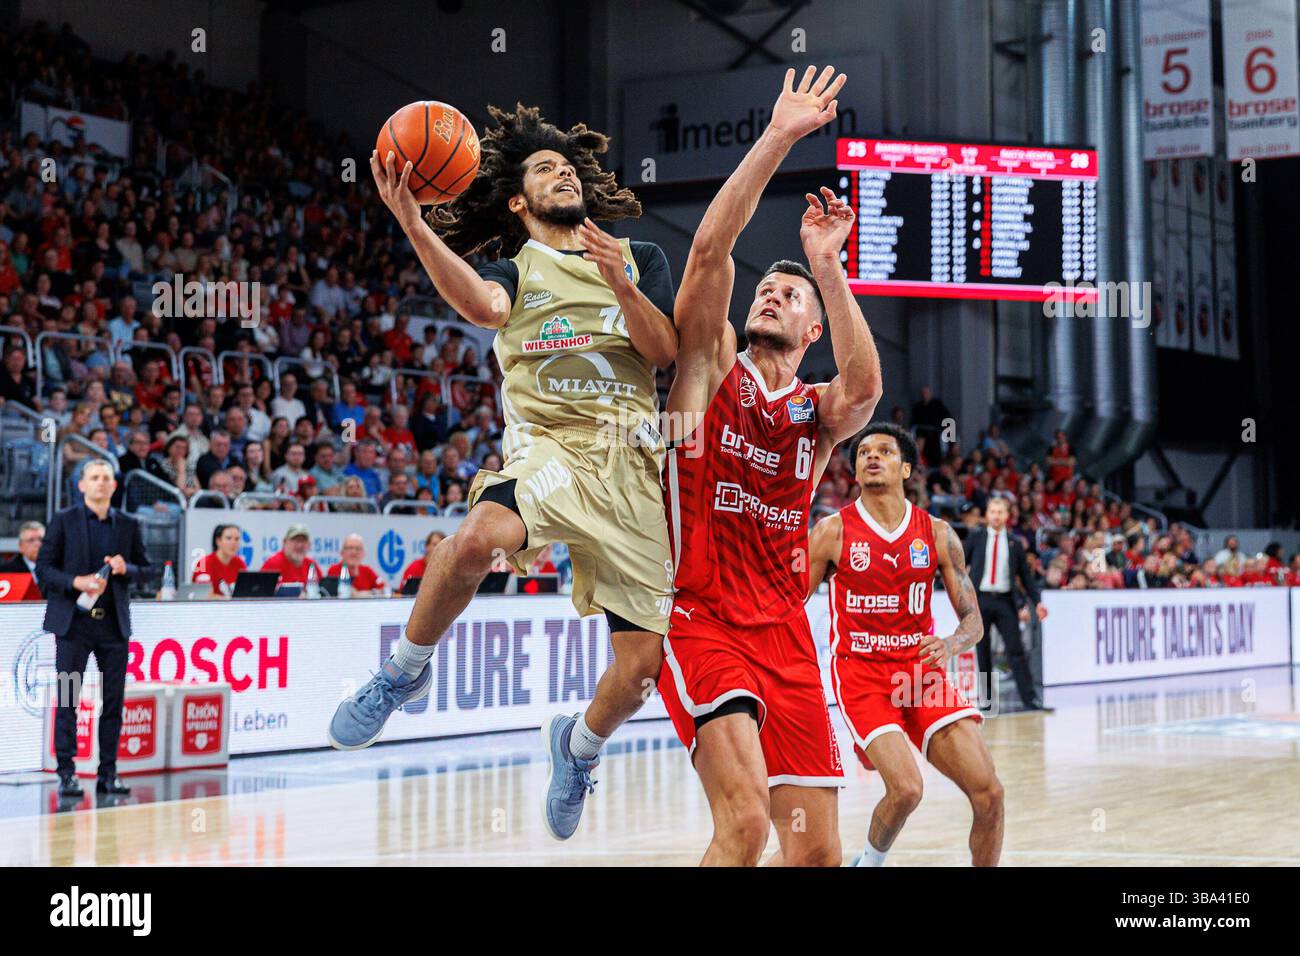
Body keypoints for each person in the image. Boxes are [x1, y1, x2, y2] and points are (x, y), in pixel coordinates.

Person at [330, 101, 681, 849]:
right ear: (519, 201)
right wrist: (414, 224)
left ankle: (578, 748)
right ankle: (403, 670)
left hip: (633, 469)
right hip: (555, 447)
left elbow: (662, 352)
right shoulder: (512, 269)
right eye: (544, 170)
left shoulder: (639, 256)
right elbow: (480, 306)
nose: (562, 173)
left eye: (567, 166)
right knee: (475, 540)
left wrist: (623, 286)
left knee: (641, 668)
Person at [656, 66, 881, 867]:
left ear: (813, 328)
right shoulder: (713, 367)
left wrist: (826, 266)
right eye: (769, 289)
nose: (771, 296)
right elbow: (713, 247)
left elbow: (863, 392)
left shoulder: (812, 416)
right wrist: (780, 136)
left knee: (816, 855)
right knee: (746, 826)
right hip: (701, 617)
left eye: (789, 296)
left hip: (786, 632)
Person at [808, 424, 1002, 867]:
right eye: (863, 453)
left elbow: (974, 619)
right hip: (860, 676)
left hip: (921, 675)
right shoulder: (832, 532)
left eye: (885, 451)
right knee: (908, 789)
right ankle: (870, 862)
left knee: (989, 793)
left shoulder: (936, 532)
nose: (872, 457)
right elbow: (787, 605)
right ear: (855, 470)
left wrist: (952, 643)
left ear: (907, 468)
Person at [36, 459, 149, 798]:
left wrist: (126, 568)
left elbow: (146, 569)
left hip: (113, 628)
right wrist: (76, 581)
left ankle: (108, 772)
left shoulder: (128, 525)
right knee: (69, 698)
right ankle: (67, 772)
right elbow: (44, 569)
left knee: (114, 700)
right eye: (94, 478)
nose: (101, 483)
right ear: (82, 485)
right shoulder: (64, 521)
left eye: (107, 478)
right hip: (74, 627)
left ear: (115, 486)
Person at [964, 496, 1049, 711]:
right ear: (987, 515)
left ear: (1007, 516)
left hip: (1004, 601)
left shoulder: (1014, 543)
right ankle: (987, 701)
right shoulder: (976, 537)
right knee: (982, 651)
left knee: (1016, 651)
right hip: (980, 600)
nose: (996, 516)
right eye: (992, 511)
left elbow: (1025, 577)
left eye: (1000, 512)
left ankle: (1030, 700)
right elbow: (958, 564)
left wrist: (1036, 601)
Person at [192, 523, 247, 596]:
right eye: (228, 538)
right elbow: (204, 596)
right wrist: (230, 600)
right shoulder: (204, 563)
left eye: (237, 539)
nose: (233, 543)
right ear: (218, 541)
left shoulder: (240, 563)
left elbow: (245, 593)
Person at [0, 520, 45, 594]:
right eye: (31, 540)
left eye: (41, 539)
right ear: (21, 547)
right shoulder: (6, 572)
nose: (38, 544)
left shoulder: (58, 568)